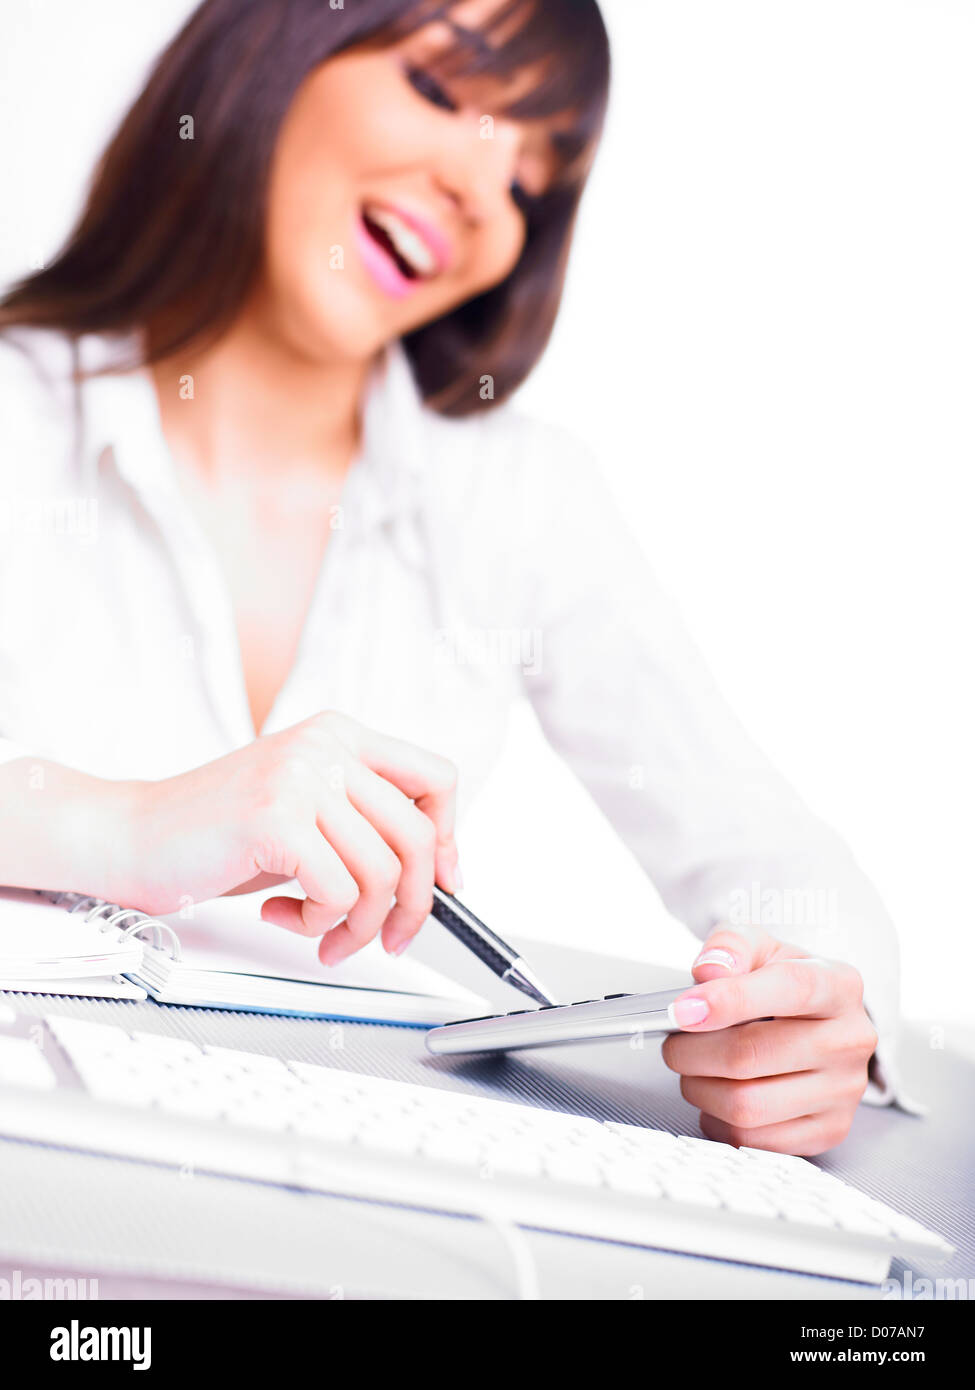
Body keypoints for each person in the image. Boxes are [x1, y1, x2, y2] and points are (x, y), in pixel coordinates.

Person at [0, 0, 901, 1153]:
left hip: (350, 1176)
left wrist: (817, 1009)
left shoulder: (521, 499)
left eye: (531, 179)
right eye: (446, 89)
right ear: (266, 54)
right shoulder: (22, 415)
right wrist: (134, 828)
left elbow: (767, 846)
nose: (485, 197)